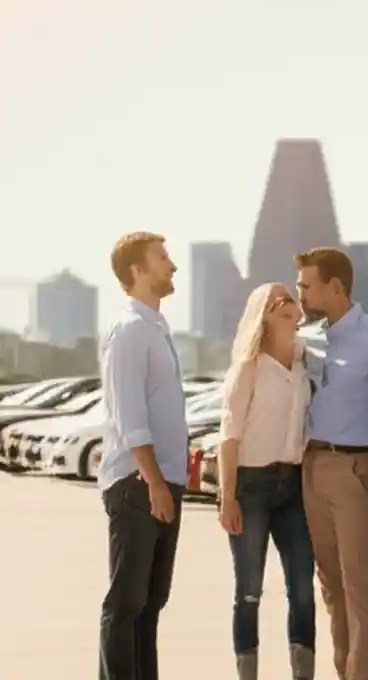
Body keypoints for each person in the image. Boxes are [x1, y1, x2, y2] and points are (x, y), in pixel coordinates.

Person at [294, 247, 368, 680]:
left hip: (356, 470)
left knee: (361, 588)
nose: (300, 293)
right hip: (312, 470)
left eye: (306, 285)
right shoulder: (308, 339)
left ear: (336, 287)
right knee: (330, 588)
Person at [98, 231, 188, 680]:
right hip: (138, 484)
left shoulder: (155, 327)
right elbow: (129, 415)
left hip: (163, 480)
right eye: (163, 257)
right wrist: (153, 482)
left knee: (151, 605)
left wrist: (169, 480)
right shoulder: (130, 331)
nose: (172, 265)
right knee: (126, 603)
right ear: (137, 270)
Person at [217, 283, 316, 680]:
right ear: (262, 314)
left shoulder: (307, 359)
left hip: (293, 486)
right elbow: (229, 435)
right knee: (249, 591)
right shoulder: (248, 367)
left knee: (303, 589)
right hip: (250, 487)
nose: (288, 303)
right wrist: (228, 498)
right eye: (277, 302)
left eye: (290, 297)